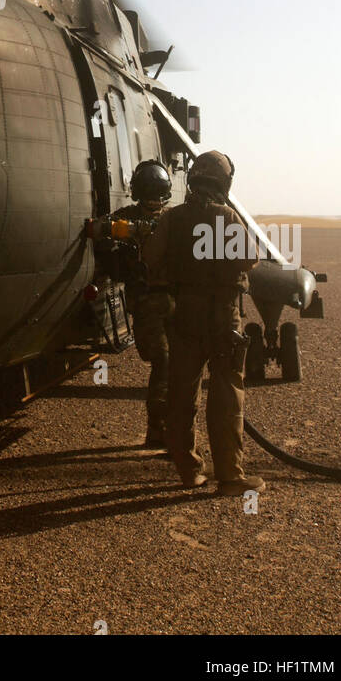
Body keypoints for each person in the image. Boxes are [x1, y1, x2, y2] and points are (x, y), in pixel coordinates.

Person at [146, 150, 266, 496]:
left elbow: (150, 258)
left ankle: (190, 471)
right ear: (224, 182)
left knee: (182, 394)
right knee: (226, 395)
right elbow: (250, 258)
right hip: (223, 315)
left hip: (184, 314)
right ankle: (230, 476)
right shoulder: (227, 216)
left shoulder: (172, 218)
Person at [104, 159, 174, 448]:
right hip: (146, 301)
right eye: (150, 195)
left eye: (157, 196)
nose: (154, 202)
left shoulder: (173, 218)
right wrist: (131, 231)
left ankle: (167, 428)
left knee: (174, 364)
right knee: (164, 361)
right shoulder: (126, 218)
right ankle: (159, 429)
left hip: (173, 301)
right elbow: (97, 229)